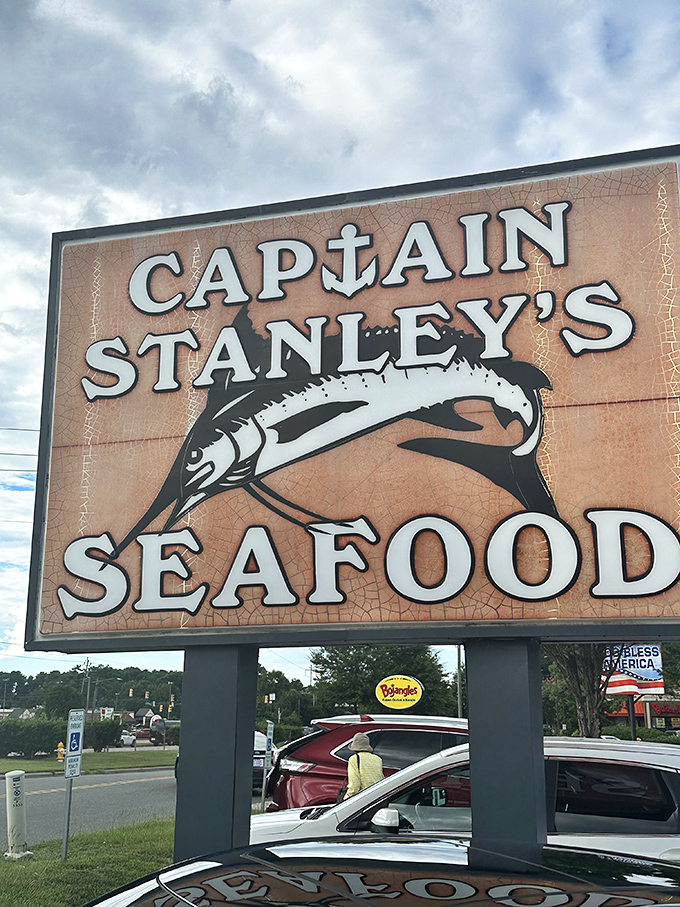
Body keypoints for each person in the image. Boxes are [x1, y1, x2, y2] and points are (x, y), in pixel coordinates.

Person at [343, 733, 384, 799]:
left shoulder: (354, 759)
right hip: (376, 796)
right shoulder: (377, 759)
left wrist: (345, 799)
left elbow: (354, 785)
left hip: (363, 797)